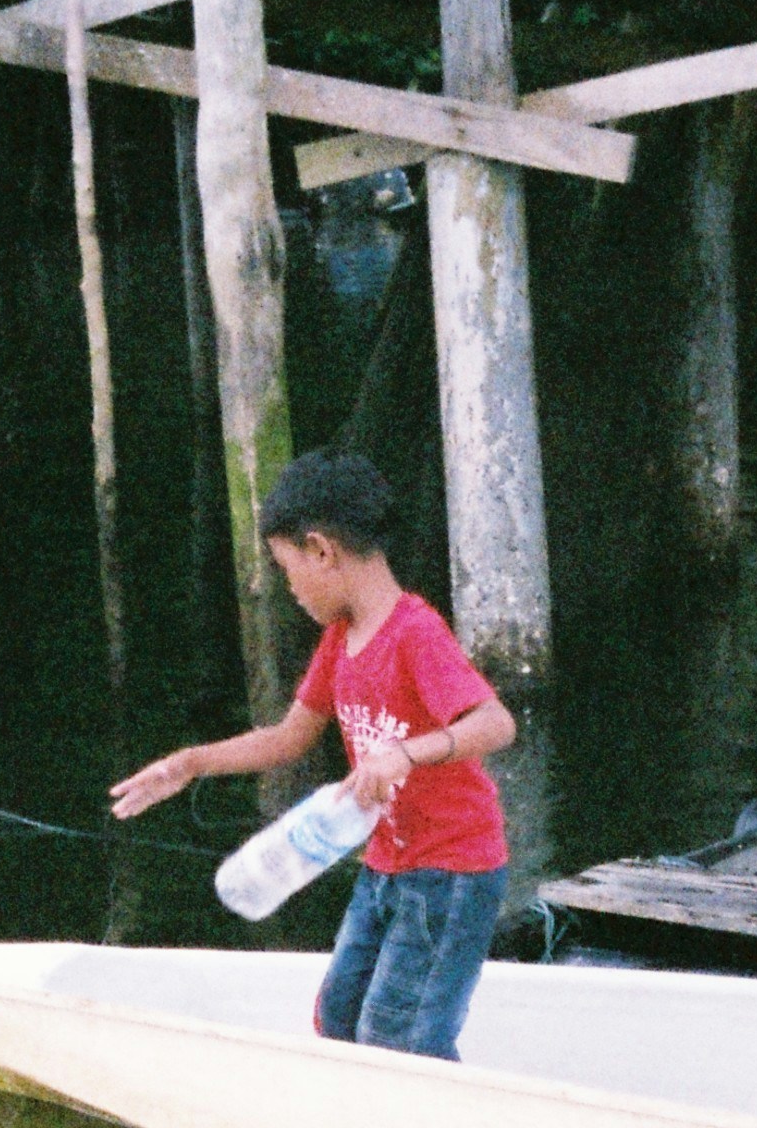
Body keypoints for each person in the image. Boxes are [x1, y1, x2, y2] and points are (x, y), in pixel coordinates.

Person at [111, 453, 516, 1061]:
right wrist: (190, 762)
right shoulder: (340, 639)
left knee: (400, 1041)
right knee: (338, 1019)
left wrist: (404, 754)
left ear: (322, 551)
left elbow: (495, 722)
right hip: (386, 867)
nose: (290, 591)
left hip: (452, 874)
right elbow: (287, 738)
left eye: (287, 570)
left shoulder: (415, 633)